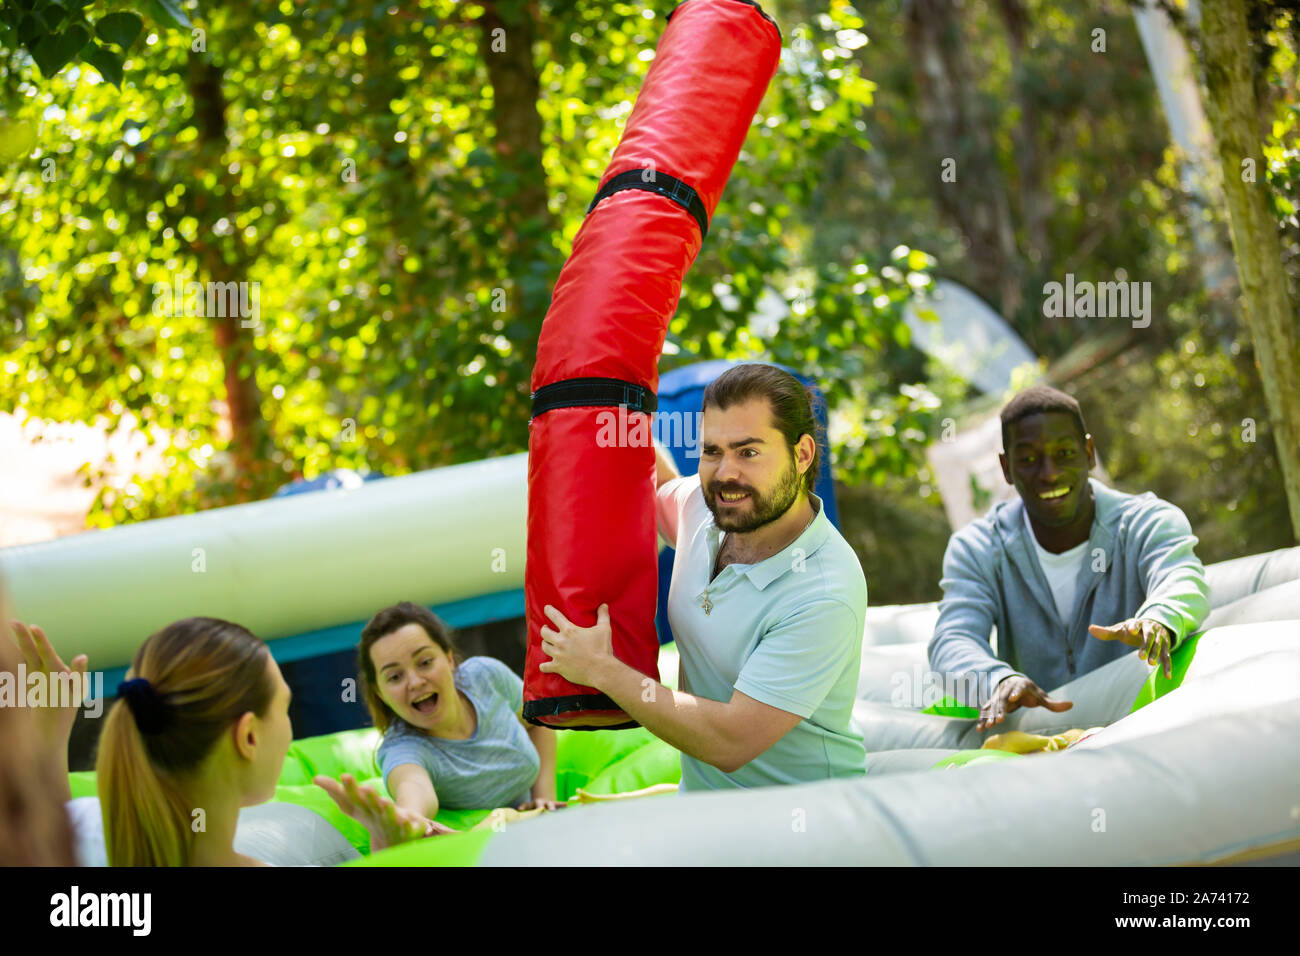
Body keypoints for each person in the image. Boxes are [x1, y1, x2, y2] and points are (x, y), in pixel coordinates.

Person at [539, 363, 868, 791]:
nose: (726, 473)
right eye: (713, 451)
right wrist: (616, 406)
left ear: (802, 455)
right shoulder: (706, 506)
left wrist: (603, 671)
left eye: (748, 452)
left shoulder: (823, 592)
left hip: (801, 819)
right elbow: (658, 488)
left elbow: (730, 742)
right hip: (700, 804)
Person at [10, 616, 437, 866]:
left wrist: (47, 745)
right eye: (284, 709)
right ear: (249, 736)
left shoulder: (78, 830)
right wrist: (392, 856)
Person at [928, 385, 1210, 731]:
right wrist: (997, 679)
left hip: (1140, 728)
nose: (1049, 474)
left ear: (1089, 452)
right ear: (1006, 467)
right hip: (1039, 742)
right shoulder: (978, 548)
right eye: (1029, 459)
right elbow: (952, 640)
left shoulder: (1145, 522)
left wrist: (1159, 618)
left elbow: (1181, 577)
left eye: (1064, 453)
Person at [359, 602, 563, 818]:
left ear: (448, 659)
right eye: (395, 677)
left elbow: (536, 721)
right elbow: (413, 791)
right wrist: (405, 818)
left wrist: (544, 799)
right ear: (380, 693)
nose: (415, 682)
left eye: (425, 662)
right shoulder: (403, 748)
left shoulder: (486, 677)